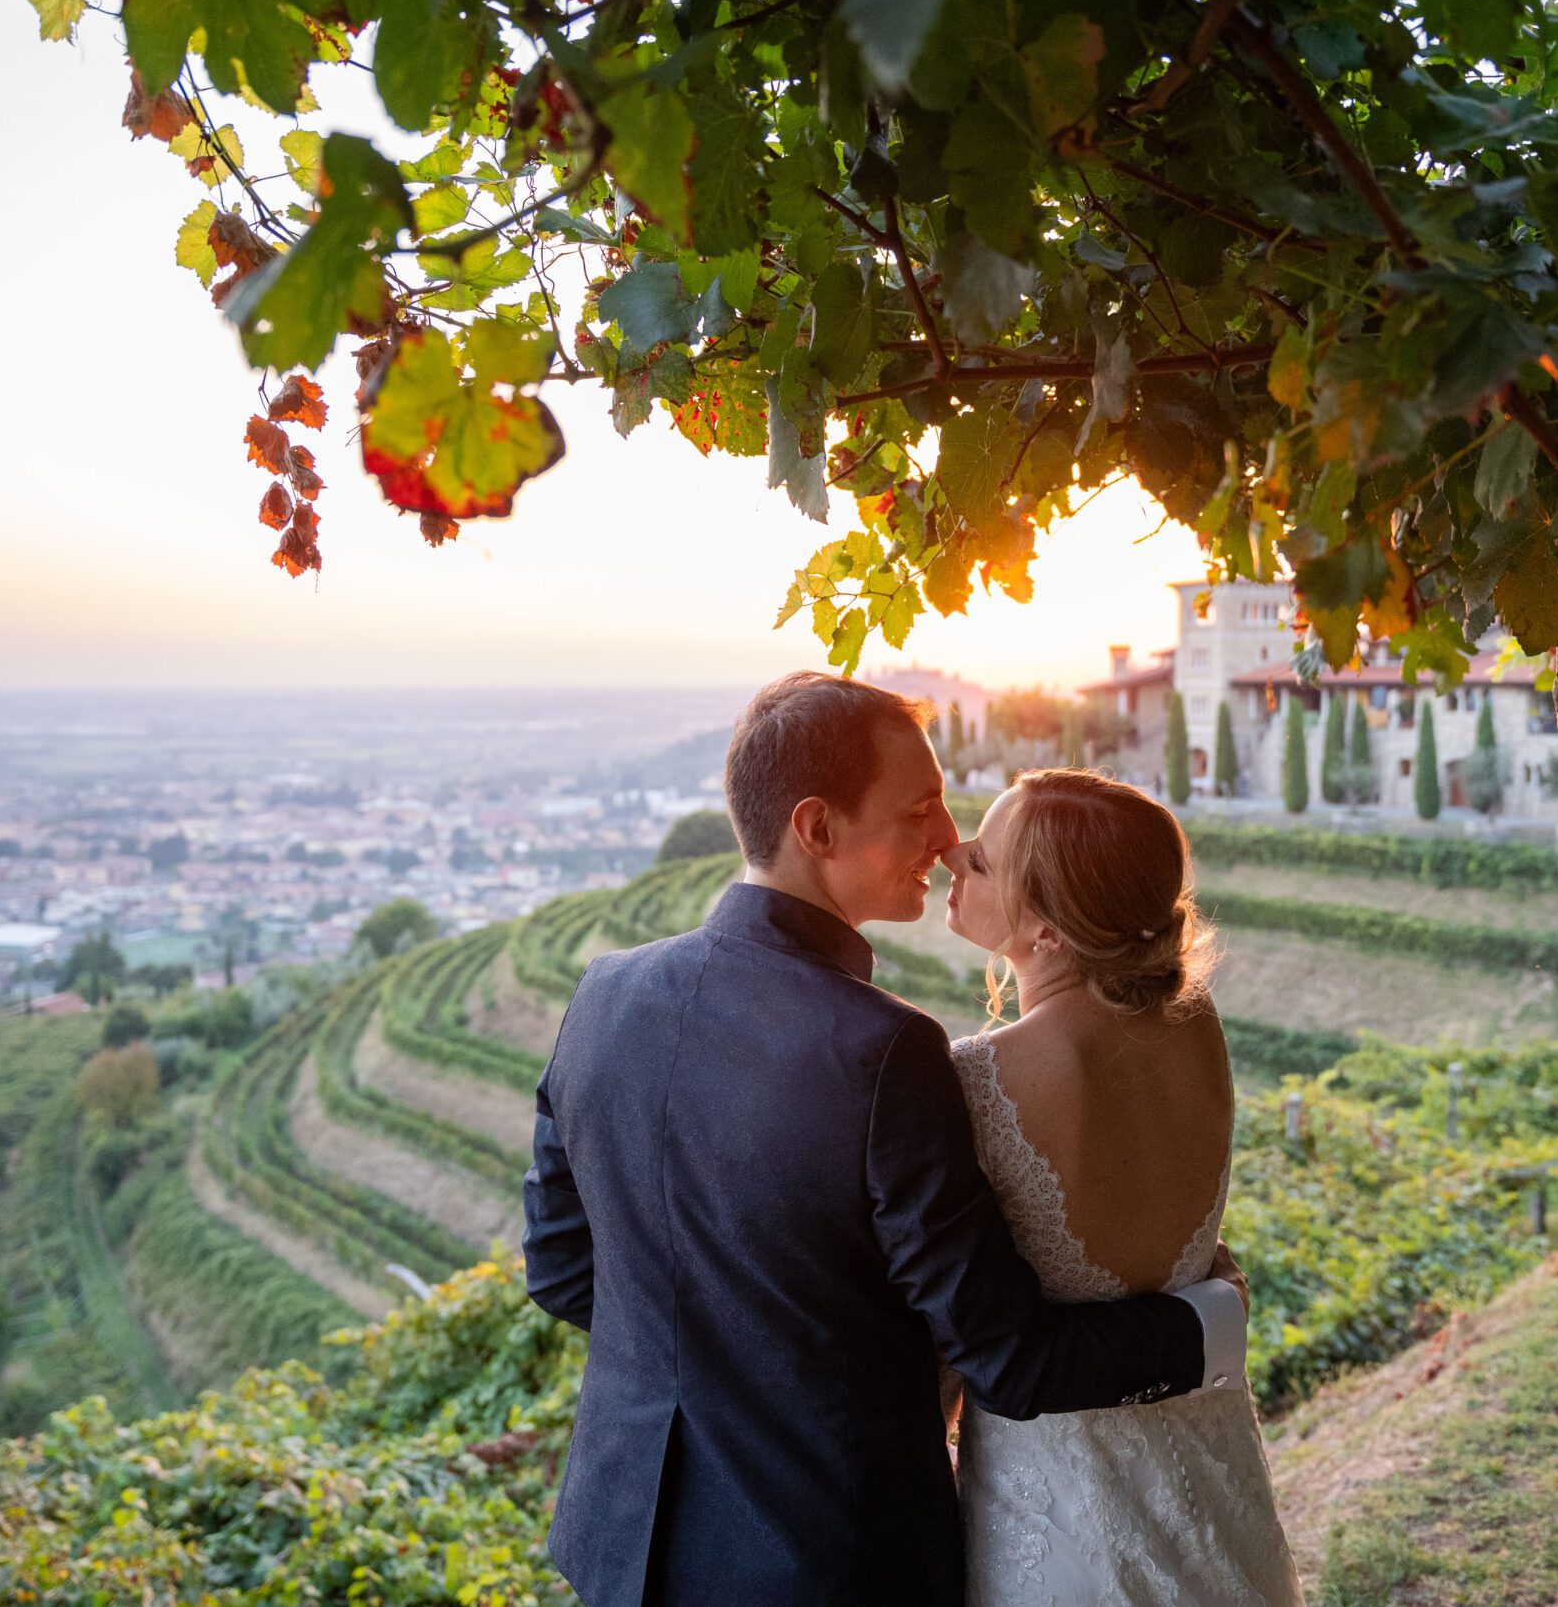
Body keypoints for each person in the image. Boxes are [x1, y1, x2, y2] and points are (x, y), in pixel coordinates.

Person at [522, 673, 1247, 1606]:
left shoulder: (603, 995)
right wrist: (1209, 1320)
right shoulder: (884, 1049)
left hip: (628, 1546)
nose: (947, 839)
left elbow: (560, 1269)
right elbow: (1006, 1357)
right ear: (817, 827)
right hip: (830, 1557)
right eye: (920, 809)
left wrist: (726, 1360)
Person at [941, 767, 1303, 1604]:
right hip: (1210, 1473)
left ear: (1049, 930)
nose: (951, 854)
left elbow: (954, 1316)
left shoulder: (977, 1079)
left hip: (1055, 1510)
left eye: (983, 858)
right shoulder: (1197, 1021)